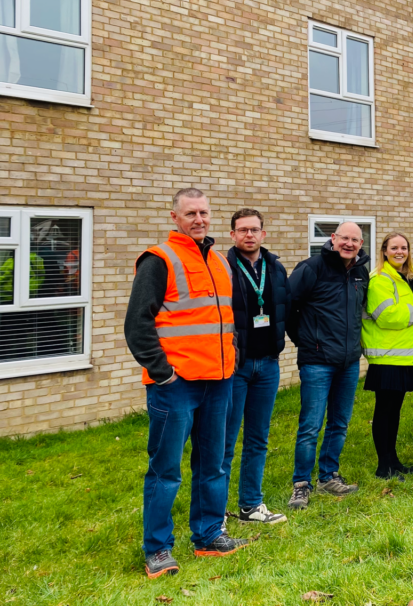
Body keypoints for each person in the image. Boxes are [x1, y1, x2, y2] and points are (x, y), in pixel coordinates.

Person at [124, 188, 248, 579]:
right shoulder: (159, 260)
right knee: (166, 469)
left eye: (205, 212)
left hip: (220, 380)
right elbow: (137, 324)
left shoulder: (219, 261)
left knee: (213, 463)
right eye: (190, 213)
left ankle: (209, 534)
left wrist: (235, 355)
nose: (199, 219)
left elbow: (226, 319)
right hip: (175, 384)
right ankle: (158, 548)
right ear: (174, 217)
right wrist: (161, 371)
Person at [286, 221, 368, 509]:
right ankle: (301, 485)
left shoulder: (361, 272)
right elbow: (287, 305)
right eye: (344, 238)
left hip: (348, 362)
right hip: (317, 361)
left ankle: (328, 476)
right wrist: (306, 342)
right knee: (310, 425)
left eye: (355, 240)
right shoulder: (311, 268)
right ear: (333, 238)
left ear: (360, 243)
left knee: (339, 422)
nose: (349, 243)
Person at [222, 209, 290, 525]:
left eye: (254, 229)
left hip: (268, 365)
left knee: (258, 438)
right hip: (235, 367)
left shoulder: (275, 268)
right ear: (233, 235)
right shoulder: (222, 268)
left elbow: (288, 308)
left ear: (263, 234)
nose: (249, 235)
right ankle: (215, 513)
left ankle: (250, 505)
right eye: (242, 230)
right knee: (225, 441)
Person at [361, 232, 413, 479]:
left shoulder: (412, 278)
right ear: (384, 251)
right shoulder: (379, 279)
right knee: (384, 410)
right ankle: (383, 467)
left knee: (394, 411)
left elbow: (405, 314)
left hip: (403, 355)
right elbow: (389, 316)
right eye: (394, 248)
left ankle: (393, 460)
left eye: (404, 247)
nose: (399, 252)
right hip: (386, 356)